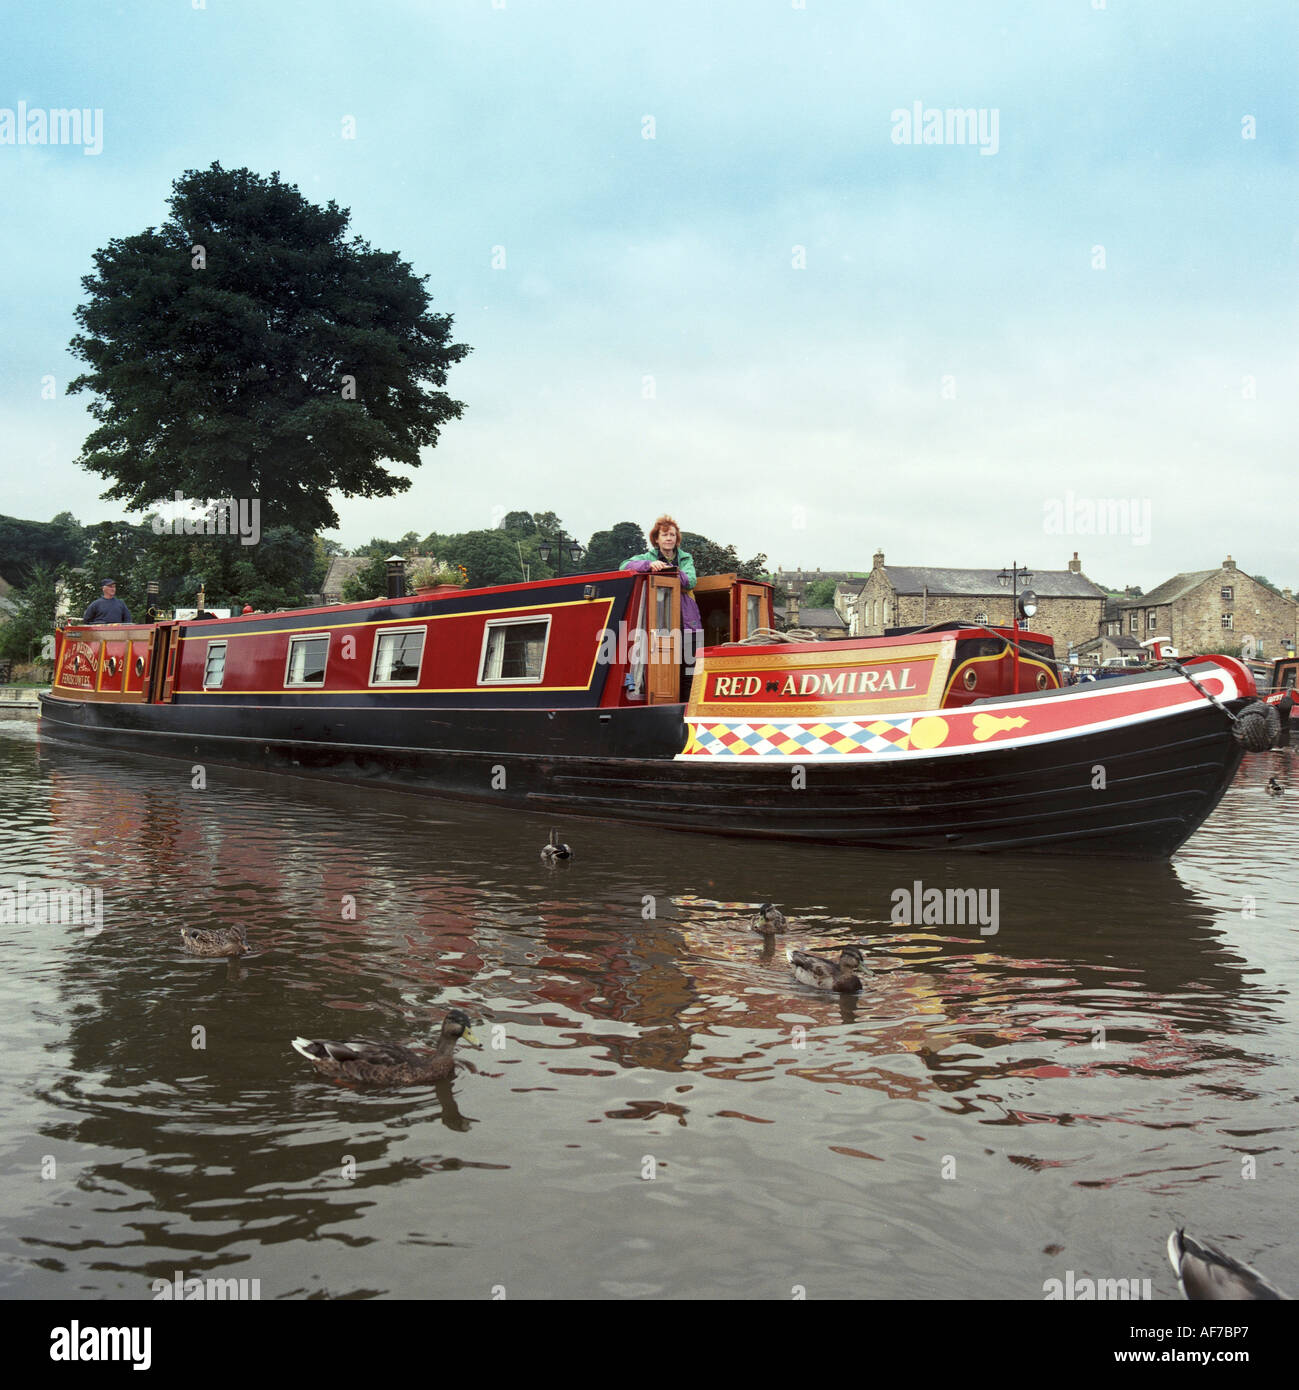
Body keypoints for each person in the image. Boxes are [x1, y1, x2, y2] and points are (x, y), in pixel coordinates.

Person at [621, 515, 703, 697]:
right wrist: (649, 565)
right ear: (656, 539)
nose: (669, 538)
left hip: (688, 620)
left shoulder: (685, 558)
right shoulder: (648, 557)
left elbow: (690, 581)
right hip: (661, 619)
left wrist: (670, 570)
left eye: (672, 535)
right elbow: (624, 566)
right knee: (665, 665)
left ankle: (687, 706)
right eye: (664, 535)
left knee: (690, 668)